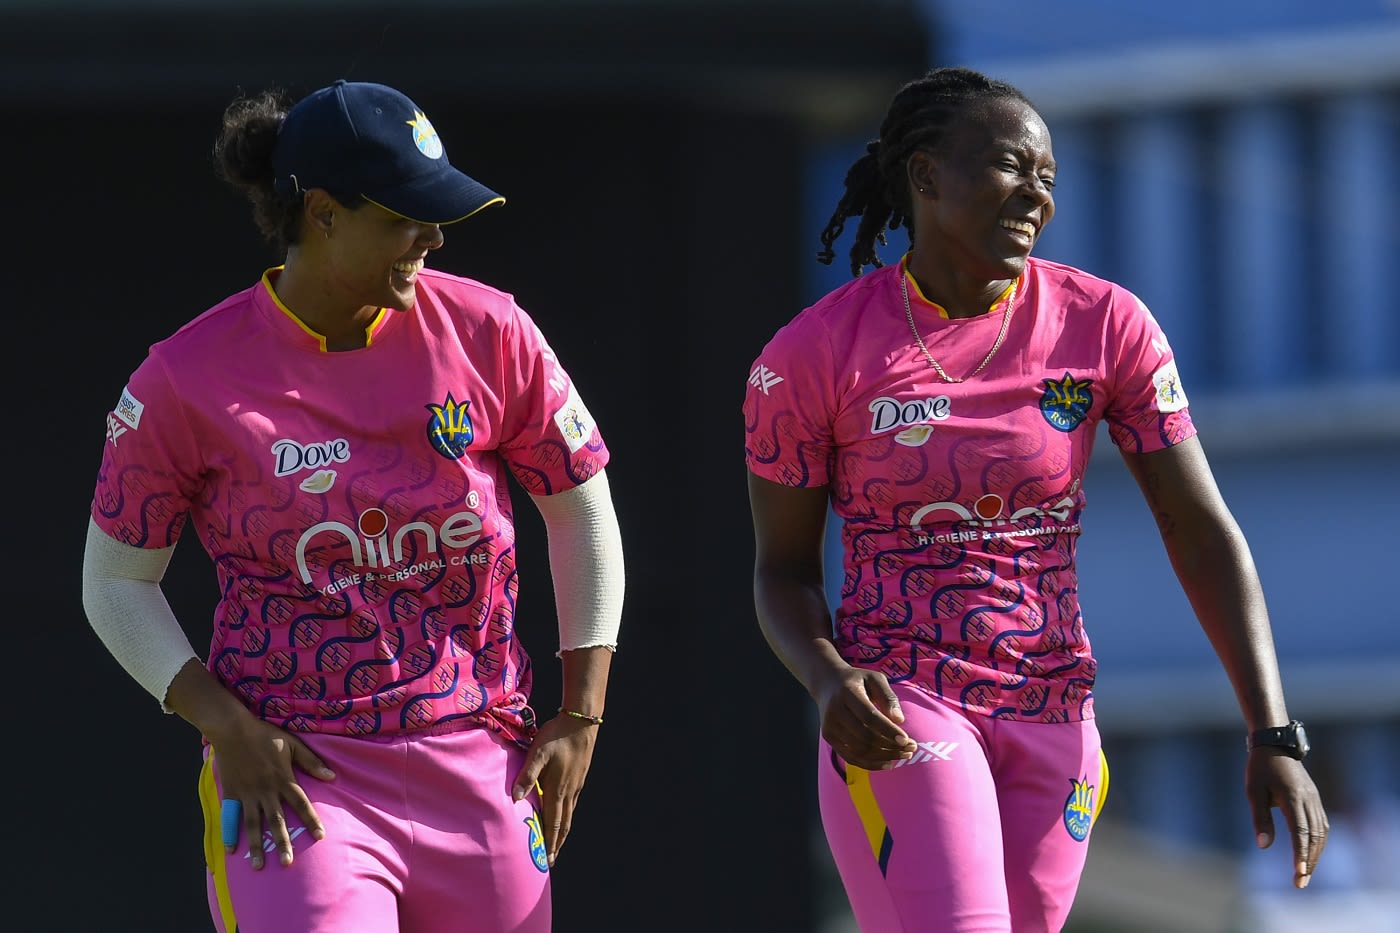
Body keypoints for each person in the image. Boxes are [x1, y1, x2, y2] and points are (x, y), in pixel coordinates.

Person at [742, 66, 1327, 933]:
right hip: (908, 712)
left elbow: (1200, 531)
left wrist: (1271, 730)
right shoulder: (814, 354)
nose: (1036, 196)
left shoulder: (1106, 324)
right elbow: (782, 572)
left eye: (1047, 178)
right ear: (927, 175)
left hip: (1057, 715)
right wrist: (830, 683)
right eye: (1011, 167)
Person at [81, 79, 624, 933]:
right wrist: (226, 726)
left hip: (485, 767)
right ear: (324, 213)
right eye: (408, 216)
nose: (434, 238)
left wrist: (582, 713)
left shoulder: (493, 332)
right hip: (298, 781)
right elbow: (114, 582)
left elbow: (581, 508)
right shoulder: (185, 378)